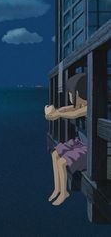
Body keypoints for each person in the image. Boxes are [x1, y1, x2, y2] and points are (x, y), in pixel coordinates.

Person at [45, 73, 87, 206]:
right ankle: (57, 188)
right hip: (80, 143)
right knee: (55, 154)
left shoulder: (89, 106)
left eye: (71, 93)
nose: (69, 97)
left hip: (89, 148)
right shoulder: (79, 105)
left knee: (62, 162)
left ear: (80, 93)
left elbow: (74, 113)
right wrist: (55, 112)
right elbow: (67, 109)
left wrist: (57, 114)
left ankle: (64, 193)